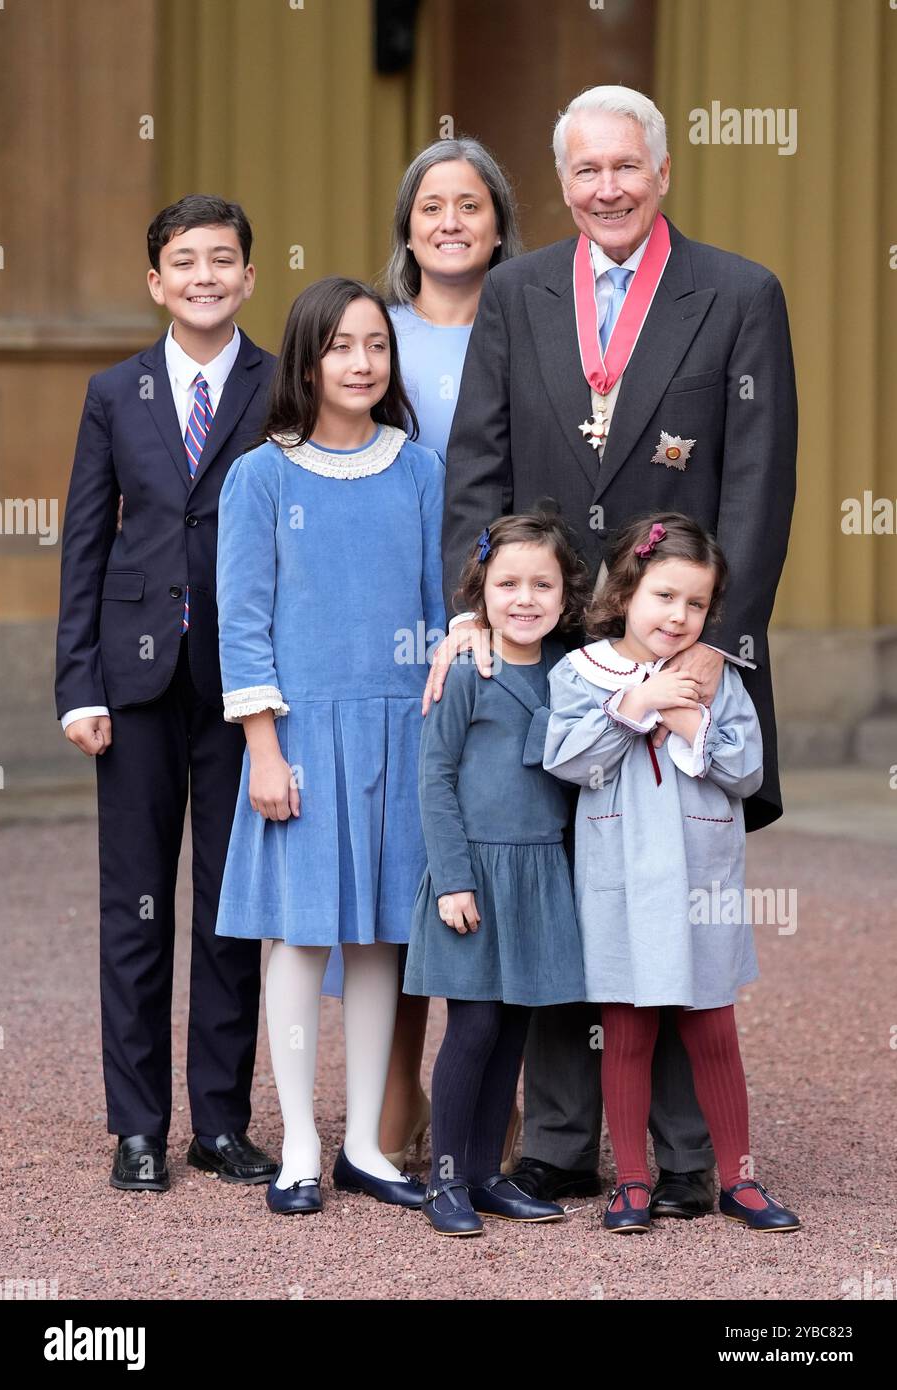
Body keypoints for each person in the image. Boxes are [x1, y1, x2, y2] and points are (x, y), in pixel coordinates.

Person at [427, 84, 797, 1215]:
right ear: (563, 181)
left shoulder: (738, 294)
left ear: (663, 169)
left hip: (683, 646)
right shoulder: (517, 293)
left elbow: (760, 482)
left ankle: (685, 1157)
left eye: (625, 167)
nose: (606, 189)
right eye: (585, 171)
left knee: (677, 891)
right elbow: (477, 469)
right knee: (556, 884)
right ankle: (560, 1139)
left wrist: (717, 649)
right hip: (548, 657)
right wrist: (475, 611)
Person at [55, 195, 278, 1193]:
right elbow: (87, 547)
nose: (203, 276)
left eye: (221, 260)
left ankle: (220, 1122)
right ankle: (138, 1124)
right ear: (156, 281)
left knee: (233, 905)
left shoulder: (282, 387)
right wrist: (78, 684)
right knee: (136, 908)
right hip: (135, 683)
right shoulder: (115, 393)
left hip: (243, 689)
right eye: (184, 261)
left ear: (248, 277)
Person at [214, 276, 444, 1216]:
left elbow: (437, 616)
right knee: (301, 935)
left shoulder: (418, 469)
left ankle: (365, 1145)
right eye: (340, 346)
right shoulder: (261, 474)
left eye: (376, 347)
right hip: (300, 732)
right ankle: (300, 1145)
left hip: (400, 726)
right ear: (305, 361)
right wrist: (265, 751)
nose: (360, 363)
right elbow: (243, 621)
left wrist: (439, 742)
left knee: (383, 931)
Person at [320, 137, 524, 1173]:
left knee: (495, 851)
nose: (450, 220)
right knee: (405, 863)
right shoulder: (374, 337)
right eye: (430, 204)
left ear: (499, 222)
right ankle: (387, 1107)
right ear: (407, 225)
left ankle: (498, 1112)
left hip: (499, 621)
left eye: (470, 204)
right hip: (388, 624)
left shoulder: (531, 324)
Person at [544, 514, 800, 1234]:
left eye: (694, 603)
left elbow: (747, 772)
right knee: (625, 1033)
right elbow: (567, 760)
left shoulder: (717, 678)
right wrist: (639, 704)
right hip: (620, 881)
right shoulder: (579, 673)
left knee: (712, 1030)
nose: (677, 616)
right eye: (663, 596)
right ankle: (629, 1180)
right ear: (626, 591)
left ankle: (738, 1180)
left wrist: (693, 724)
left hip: (699, 884)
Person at [404, 512, 589, 1235]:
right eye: (507, 583)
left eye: (541, 584)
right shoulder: (465, 670)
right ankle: (444, 1181)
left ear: (564, 595)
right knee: (473, 1028)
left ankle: (486, 1173)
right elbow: (435, 777)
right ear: (479, 592)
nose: (524, 598)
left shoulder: (570, 670)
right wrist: (452, 879)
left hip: (539, 873)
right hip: (475, 874)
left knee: (514, 1029)